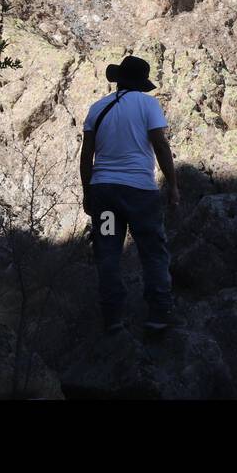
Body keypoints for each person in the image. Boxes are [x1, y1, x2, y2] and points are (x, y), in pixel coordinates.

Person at [80, 55, 181, 332]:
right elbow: (160, 145)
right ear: (141, 84)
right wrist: (172, 184)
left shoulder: (97, 108)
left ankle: (113, 318)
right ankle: (159, 314)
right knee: (152, 251)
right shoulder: (148, 104)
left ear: (119, 81)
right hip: (139, 193)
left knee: (109, 251)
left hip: (105, 192)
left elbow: (86, 155)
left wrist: (88, 193)